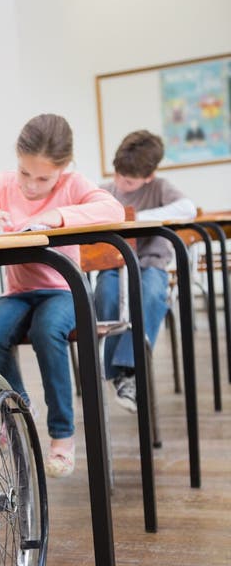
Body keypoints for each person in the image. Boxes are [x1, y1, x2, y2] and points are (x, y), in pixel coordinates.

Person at [0, 114, 125, 478]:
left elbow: (112, 209)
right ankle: (16, 409)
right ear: (17, 161)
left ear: (63, 169)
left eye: (43, 179)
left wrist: (56, 215)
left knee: (48, 330)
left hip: (63, 291)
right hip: (20, 293)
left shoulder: (73, 185)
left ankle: (62, 437)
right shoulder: (5, 184)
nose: (31, 186)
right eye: (25, 173)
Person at [95, 130, 197, 412]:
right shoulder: (106, 190)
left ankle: (128, 371)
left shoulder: (160, 188)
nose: (120, 183)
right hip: (114, 265)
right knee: (106, 293)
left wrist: (134, 218)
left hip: (150, 263)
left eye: (128, 180)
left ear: (148, 176)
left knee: (153, 293)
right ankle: (120, 374)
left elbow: (187, 209)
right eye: (118, 175)